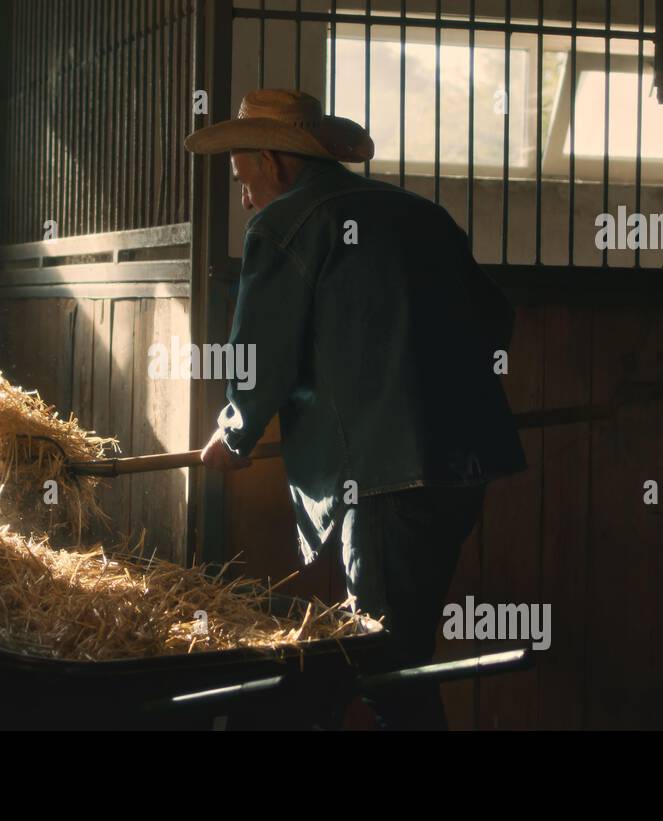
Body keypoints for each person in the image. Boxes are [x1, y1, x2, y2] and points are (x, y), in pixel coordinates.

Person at [186, 89, 527, 729]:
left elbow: (260, 355)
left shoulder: (286, 226)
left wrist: (234, 433)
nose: (244, 198)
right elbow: (493, 318)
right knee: (397, 648)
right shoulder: (419, 214)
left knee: (386, 662)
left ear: (274, 162)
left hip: (383, 477)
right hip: (464, 469)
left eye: (243, 178)